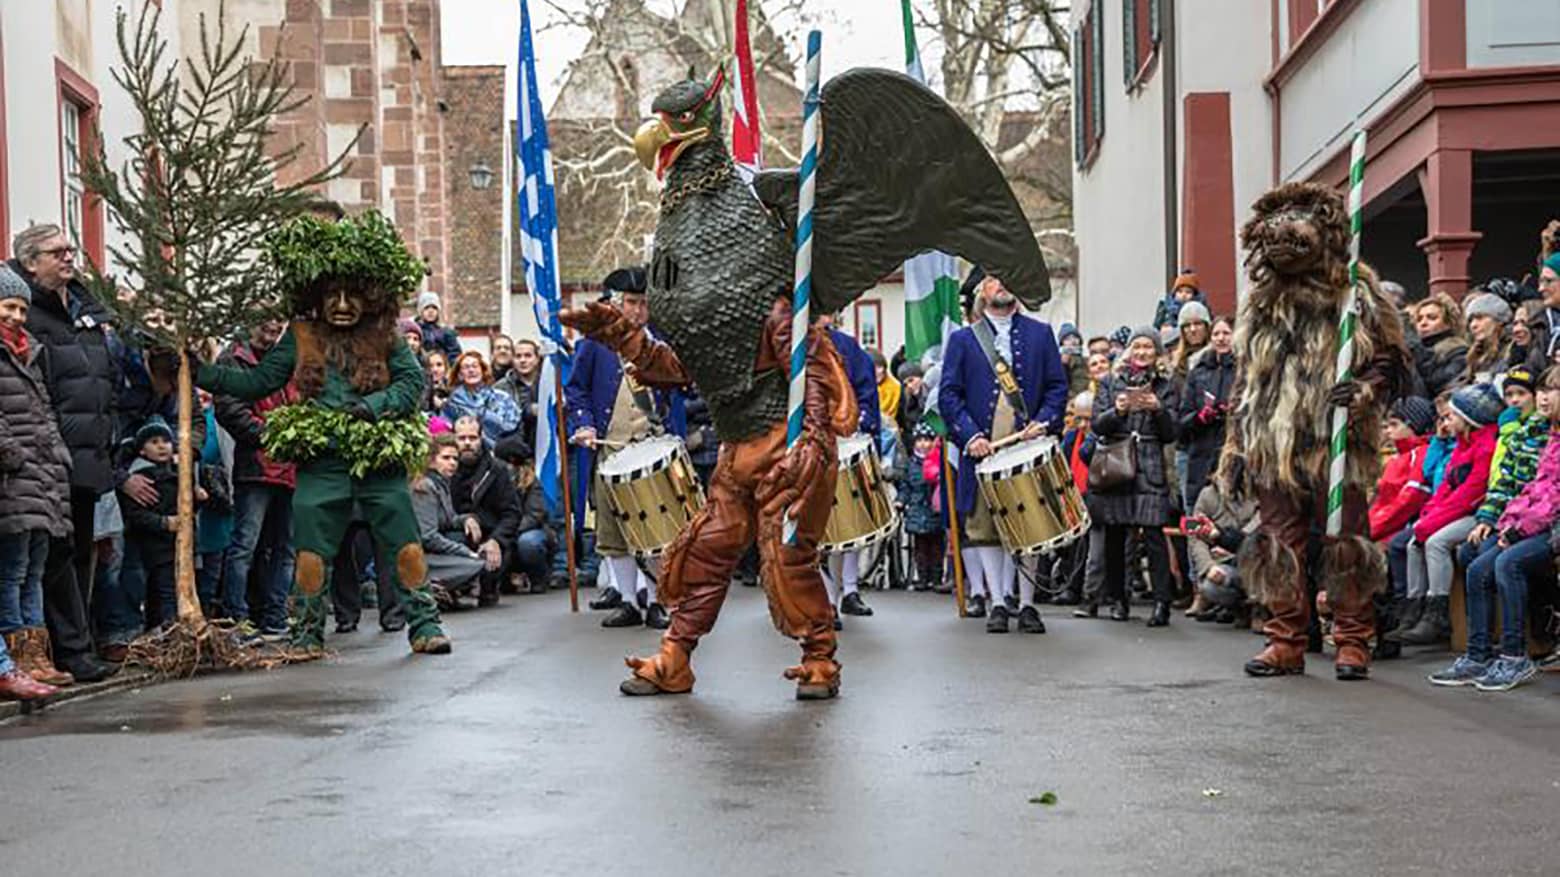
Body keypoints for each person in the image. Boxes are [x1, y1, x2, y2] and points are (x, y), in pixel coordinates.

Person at [196, 211, 450, 655]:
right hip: (322, 463)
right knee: (311, 552)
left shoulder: (386, 334)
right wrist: (201, 372)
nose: (344, 305)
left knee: (405, 545)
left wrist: (373, 408)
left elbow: (413, 383)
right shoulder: (301, 334)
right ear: (318, 295)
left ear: (370, 296)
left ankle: (425, 625)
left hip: (380, 460)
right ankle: (307, 633)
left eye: (353, 295)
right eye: (334, 294)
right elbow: (258, 382)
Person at [1227, 182, 1412, 681]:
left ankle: (1353, 639)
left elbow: (1390, 359)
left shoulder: (1356, 290)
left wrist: (1364, 392)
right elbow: (1244, 377)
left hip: (1336, 440)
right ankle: (1284, 640)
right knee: (1277, 542)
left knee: (1346, 539)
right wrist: (1235, 445)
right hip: (1274, 441)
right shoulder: (1258, 301)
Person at [9, 224, 119, 683]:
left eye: (70, 249)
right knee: (50, 559)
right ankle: (70, 650)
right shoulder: (25, 313)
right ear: (31, 262)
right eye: (57, 252)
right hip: (47, 456)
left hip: (89, 453)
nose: (69, 257)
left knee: (79, 554)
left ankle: (78, 642)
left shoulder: (86, 310)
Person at [940, 268, 1069, 634]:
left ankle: (1027, 604)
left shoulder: (1040, 334)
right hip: (984, 450)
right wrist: (969, 436)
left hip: (1028, 447)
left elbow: (1057, 388)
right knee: (985, 528)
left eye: (1009, 278)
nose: (1004, 285)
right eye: (996, 279)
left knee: (1032, 527)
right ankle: (997, 600)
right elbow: (949, 395)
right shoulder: (965, 340)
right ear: (983, 289)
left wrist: (1044, 421)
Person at [1428, 367, 1560, 691]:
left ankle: (1516, 656)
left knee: (1507, 562)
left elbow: (1554, 497)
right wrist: (1505, 521)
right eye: (1543, 389)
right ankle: (1478, 654)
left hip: (1552, 528)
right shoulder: (1549, 436)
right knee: (1477, 566)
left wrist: (1519, 529)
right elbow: (1531, 489)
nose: (1545, 396)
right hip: (1534, 521)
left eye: (1552, 390)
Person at [566, 268, 675, 629]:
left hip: (654, 445)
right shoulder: (595, 343)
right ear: (617, 302)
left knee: (659, 530)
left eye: (644, 303)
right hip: (611, 448)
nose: (638, 311)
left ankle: (658, 601)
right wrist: (583, 424)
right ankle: (628, 601)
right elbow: (576, 388)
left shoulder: (662, 340)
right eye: (631, 302)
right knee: (614, 531)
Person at [0, 265, 75, 690]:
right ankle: (14, 656)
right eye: (8, 306)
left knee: (34, 569)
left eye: (22, 309)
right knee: (12, 570)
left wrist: (56, 454)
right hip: (15, 479)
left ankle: (37, 655)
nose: (17, 317)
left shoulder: (28, 353)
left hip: (42, 477)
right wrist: (12, 454)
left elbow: (44, 411)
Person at [1390, 383, 1501, 646]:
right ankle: (1413, 608)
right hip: (1455, 511)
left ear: (1469, 418)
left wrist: (1430, 524)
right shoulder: (1463, 444)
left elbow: (1468, 496)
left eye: (1451, 416)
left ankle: (1436, 612)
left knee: (1436, 542)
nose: (1446, 422)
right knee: (1412, 542)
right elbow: (1444, 488)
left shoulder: (1485, 447)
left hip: (1477, 514)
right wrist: (1427, 517)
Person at [212, 319, 298, 639]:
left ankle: (274, 615)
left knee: (285, 547)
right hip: (256, 467)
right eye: (265, 324)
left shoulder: (285, 360)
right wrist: (273, 436)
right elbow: (230, 409)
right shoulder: (232, 359)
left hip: (290, 468)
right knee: (244, 545)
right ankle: (238, 618)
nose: (271, 331)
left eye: (277, 325)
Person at [1090, 328, 1179, 627]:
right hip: (1118, 462)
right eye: (1137, 347)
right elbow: (1098, 426)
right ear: (1128, 351)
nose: (1142, 352)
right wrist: (1117, 411)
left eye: (1148, 347)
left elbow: (1171, 433)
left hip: (1151, 463)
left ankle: (1161, 602)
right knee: (1115, 534)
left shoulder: (1166, 384)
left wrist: (1159, 410)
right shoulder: (1109, 383)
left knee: (1154, 535)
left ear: (1157, 352)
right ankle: (1118, 599)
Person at [117, 417, 210, 627]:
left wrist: (198, 498)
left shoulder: (180, 472)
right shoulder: (141, 477)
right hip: (157, 546)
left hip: (182, 544)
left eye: (165, 441)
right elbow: (136, 515)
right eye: (154, 442)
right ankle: (169, 632)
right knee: (164, 591)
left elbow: (187, 507)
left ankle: (173, 628)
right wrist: (164, 523)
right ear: (142, 450)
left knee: (180, 588)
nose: (161, 446)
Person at [822, 314, 881, 620]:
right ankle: (827, 595)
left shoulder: (848, 347)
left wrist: (860, 425)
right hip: (812, 444)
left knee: (852, 518)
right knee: (824, 526)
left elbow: (867, 391)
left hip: (846, 442)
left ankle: (850, 588)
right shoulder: (792, 346)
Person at [448, 416, 521, 608]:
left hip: (491, 535)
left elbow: (512, 514)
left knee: (492, 569)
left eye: (472, 438)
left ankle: (491, 585)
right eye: (461, 438)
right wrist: (463, 520)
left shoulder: (497, 470)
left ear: (481, 438)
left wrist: (496, 540)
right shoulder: (445, 469)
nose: (467, 444)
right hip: (456, 534)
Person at [411, 433, 487, 599]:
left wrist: (467, 519)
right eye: (445, 458)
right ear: (431, 460)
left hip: (429, 552)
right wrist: (466, 552)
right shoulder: (425, 486)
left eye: (455, 458)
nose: (452, 463)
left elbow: (448, 518)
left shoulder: (442, 483)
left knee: (477, 561)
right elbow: (428, 536)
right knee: (476, 564)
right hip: (417, 556)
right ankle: (426, 587)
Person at [1177, 315, 1236, 521]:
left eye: (1226, 333)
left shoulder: (1244, 370)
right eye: (1216, 334)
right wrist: (1200, 418)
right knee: (1197, 519)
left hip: (1232, 453)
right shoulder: (1198, 372)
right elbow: (1182, 421)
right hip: (1201, 455)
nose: (1221, 339)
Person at [494, 433, 554, 594]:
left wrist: (509, 531)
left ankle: (539, 578)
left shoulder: (532, 482)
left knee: (528, 543)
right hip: (502, 529)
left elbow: (535, 515)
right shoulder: (494, 479)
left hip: (527, 531)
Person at [442, 350, 521, 448]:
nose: (471, 370)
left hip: (499, 452)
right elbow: (446, 431)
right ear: (460, 374)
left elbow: (511, 425)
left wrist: (485, 415)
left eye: (475, 366)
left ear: (483, 371)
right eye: (466, 367)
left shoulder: (501, 397)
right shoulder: (451, 404)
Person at [898, 423, 943, 591]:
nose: (923, 444)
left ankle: (937, 577)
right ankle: (922, 577)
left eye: (927, 440)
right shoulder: (910, 464)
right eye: (920, 440)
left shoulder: (938, 461)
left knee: (937, 545)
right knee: (920, 546)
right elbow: (905, 486)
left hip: (933, 509)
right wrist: (901, 500)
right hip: (917, 509)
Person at [1413, 293, 1470, 398]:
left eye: (1432, 318)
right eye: (1419, 319)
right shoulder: (1413, 349)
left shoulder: (1458, 351)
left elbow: (1443, 384)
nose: (1423, 323)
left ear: (1448, 323)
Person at [495, 338, 543, 449]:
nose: (522, 360)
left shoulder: (549, 384)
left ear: (537, 359)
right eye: (518, 356)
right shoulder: (501, 388)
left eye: (528, 356)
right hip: (514, 450)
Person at [1520, 253, 1560, 375]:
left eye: (1548, 281)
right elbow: (1531, 371)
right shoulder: (1539, 324)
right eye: (1541, 282)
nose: (1541, 288)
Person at [1462, 292, 1513, 385]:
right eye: (1470, 320)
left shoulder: (1514, 349)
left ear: (1499, 320)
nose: (1473, 325)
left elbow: (1523, 377)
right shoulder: (1476, 354)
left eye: (1479, 318)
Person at [414, 291, 462, 364]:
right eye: (426, 308)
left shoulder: (446, 332)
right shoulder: (415, 331)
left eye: (434, 308)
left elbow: (454, 355)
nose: (431, 311)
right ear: (421, 311)